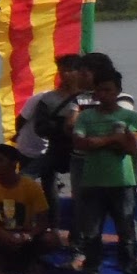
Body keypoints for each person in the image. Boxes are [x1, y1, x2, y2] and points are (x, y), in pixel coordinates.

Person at [70, 68, 137, 274]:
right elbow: (80, 144)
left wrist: (99, 141)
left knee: (126, 232)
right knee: (92, 232)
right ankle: (93, 272)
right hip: (93, 182)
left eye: (108, 90)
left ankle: (129, 273)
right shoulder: (86, 116)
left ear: (118, 91)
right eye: (99, 90)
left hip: (123, 183)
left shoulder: (132, 117)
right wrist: (113, 139)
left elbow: (131, 147)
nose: (103, 94)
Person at [14, 54, 84, 214]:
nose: (65, 75)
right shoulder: (48, 98)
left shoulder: (90, 97)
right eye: (62, 71)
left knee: (81, 191)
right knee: (26, 177)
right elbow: (40, 127)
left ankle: (77, 230)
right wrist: (62, 128)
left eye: (70, 70)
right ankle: (46, 222)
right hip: (55, 149)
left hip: (81, 151)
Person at [0, 144, 53, 274]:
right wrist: (3, 234)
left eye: (0, 160)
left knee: (50, 238)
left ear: (14, 163)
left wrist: (29, 235)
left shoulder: (31, 186)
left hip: (25, 235)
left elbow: (43, 218)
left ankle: (32, 258)